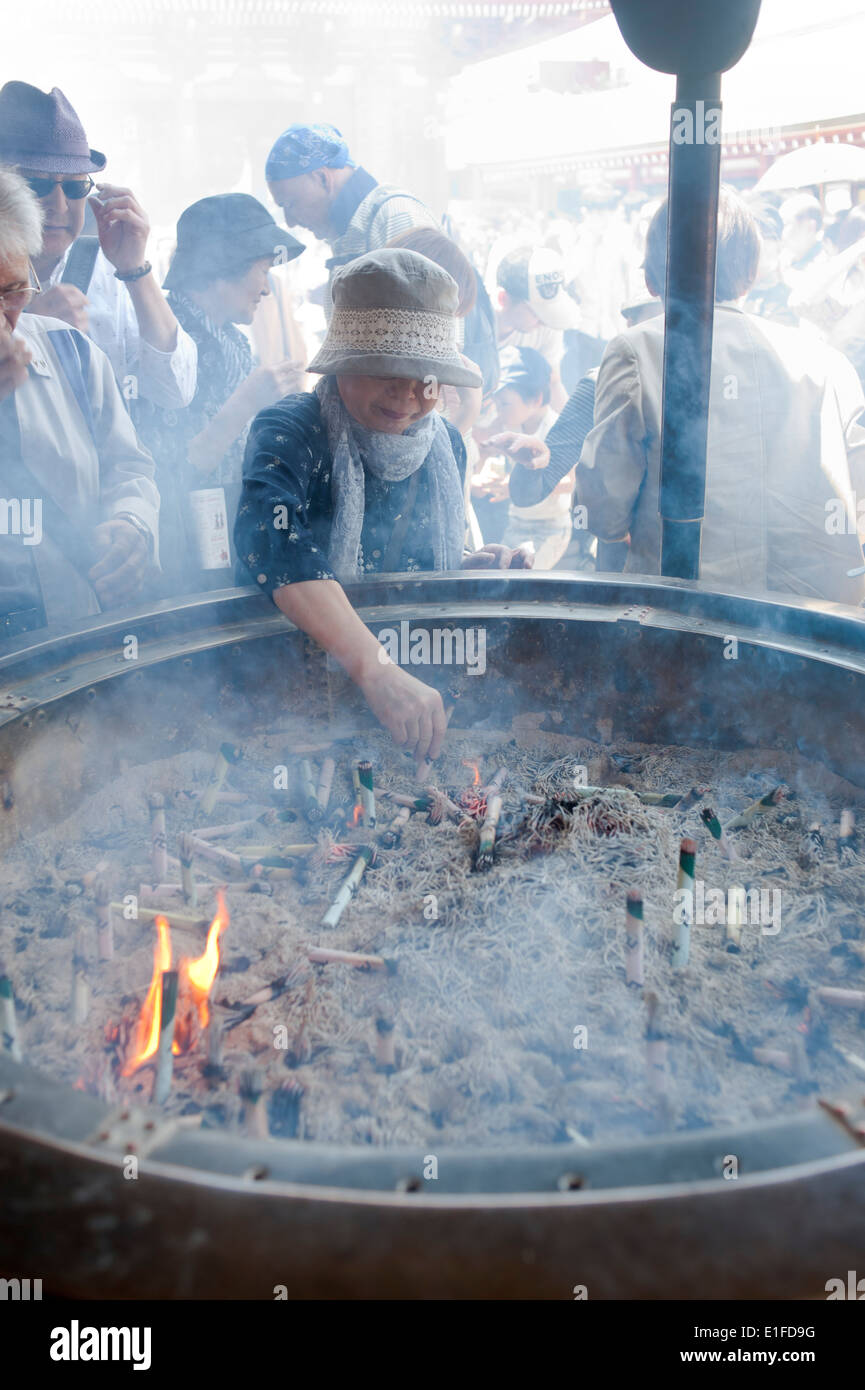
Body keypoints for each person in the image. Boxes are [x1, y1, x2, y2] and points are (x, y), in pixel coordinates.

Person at [235, 247, 529, 764]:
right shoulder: (291, 431)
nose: (408, 394)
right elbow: (274, 545)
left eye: (426, 377)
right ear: (346, 361)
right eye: (386, 369)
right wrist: (375, 667)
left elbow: (405, 556)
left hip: (416, 698)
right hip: (299, 701)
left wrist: (463, 567)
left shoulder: (446, 446)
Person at [500, 188, 865, 605]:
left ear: (652, 279)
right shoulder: (829, 363)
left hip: (695, 615)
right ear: (751, 273)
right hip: (818, 620)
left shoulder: (638, 351)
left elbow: (604, 508)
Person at [0, 167, 159, 631]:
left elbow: (129, 468)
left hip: (72, 635)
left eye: (12, 291)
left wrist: (132, 528)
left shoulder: (70, 350)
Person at [135, 194, 305, 596]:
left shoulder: (231, 340)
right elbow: (171, 474)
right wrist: (247, 402)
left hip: (232, 535)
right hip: (186, 558)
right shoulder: (171, 341)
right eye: (262, 270)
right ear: (221, 268)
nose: (267, 289)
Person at [0, 82, 196, 411]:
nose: (59, 205)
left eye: (76, 186)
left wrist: (135, 270)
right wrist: (27, 324)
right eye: (38, 184)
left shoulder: (110, 274)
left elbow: (175, 392)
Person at [264, 122, 438, 311]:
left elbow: (424, 325)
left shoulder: (397, 217)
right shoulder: (348, 234)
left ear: (322, 178)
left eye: (291, 204)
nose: (290, 222)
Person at [491, 347, 573, 569]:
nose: (498, 410)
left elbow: (571, 482)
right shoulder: (509, 423)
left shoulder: (556, 430)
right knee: (502, 575)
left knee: (525, 576)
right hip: (516, 522)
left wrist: (514, 487)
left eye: (504, 403)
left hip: (551, 527)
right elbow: (485, 451)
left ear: (536, 398)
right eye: (496, 403)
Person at [494, 246, 578, 411]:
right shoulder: (472, 324)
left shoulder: (549, 325)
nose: (545, 322)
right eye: (537, 313)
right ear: (503, 299)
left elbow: (552, 382)